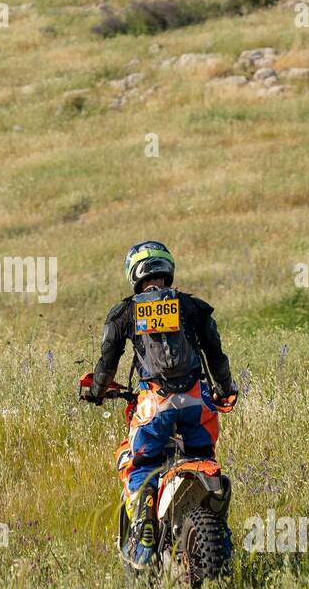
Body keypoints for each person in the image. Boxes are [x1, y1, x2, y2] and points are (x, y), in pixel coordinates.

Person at [79, 241, 238, 570]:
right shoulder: (192, 307)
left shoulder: (125, 312)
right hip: (198, 402)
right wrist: (223, 389)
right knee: (202, 457)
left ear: (134, 274)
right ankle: (217, 530)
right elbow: (216, 356)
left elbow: (108, 362)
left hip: (154, 406)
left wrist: (96, 390)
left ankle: (145, 530)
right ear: (167, 269)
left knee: (140, 463)